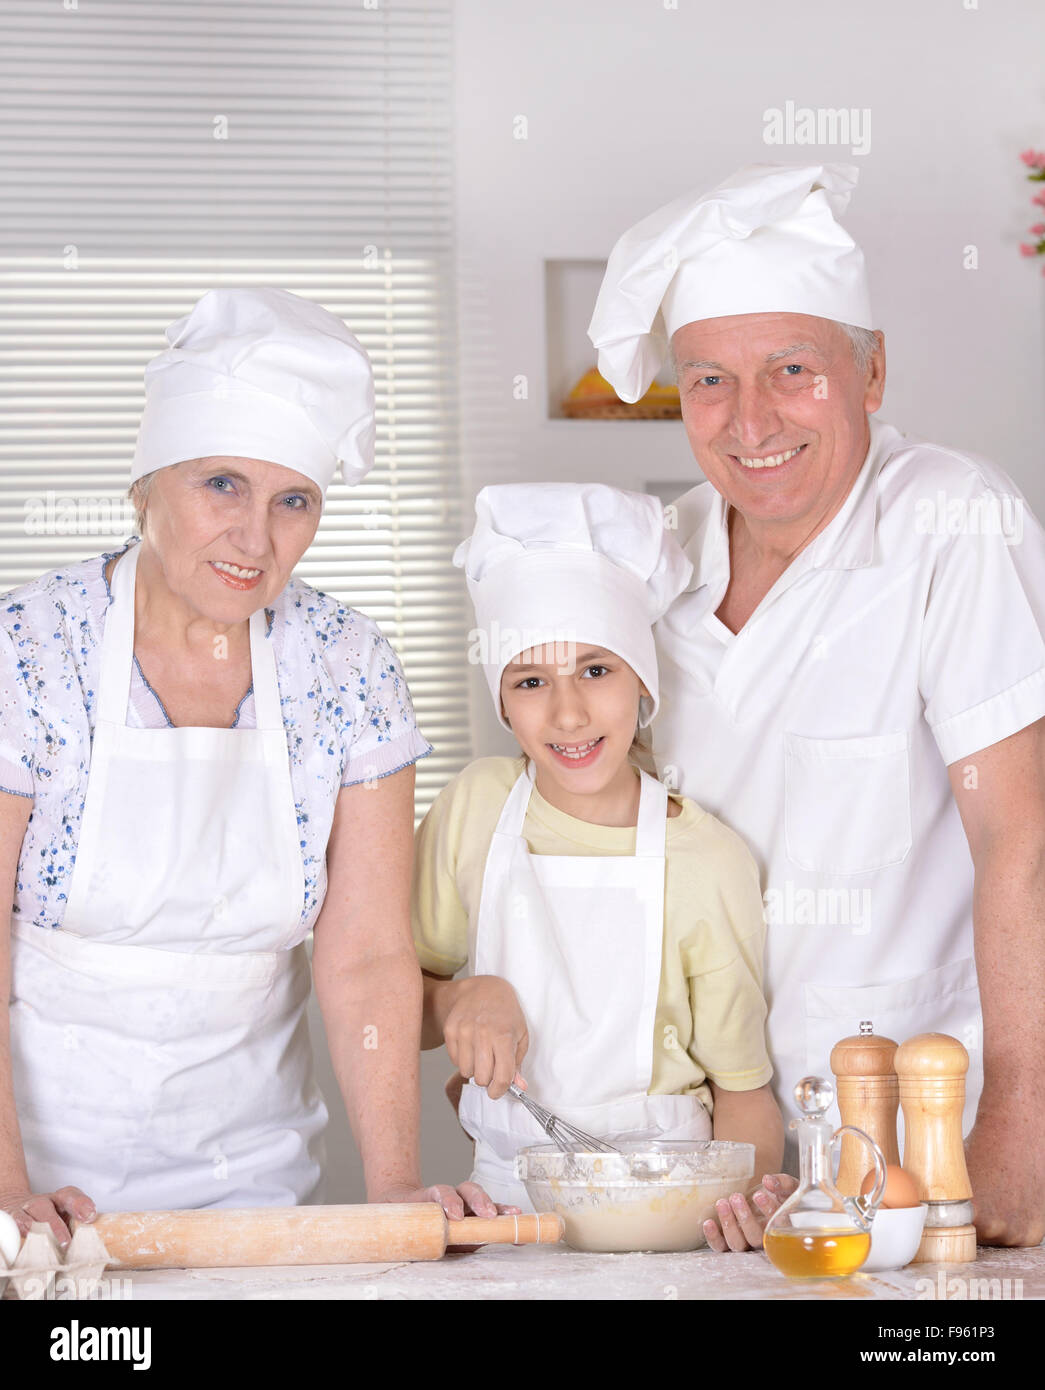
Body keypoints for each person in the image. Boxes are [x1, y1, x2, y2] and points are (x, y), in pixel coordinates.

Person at [589, 162, 1045, 1249]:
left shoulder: (949, 522)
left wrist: (1018, 1126)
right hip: (730, 1163)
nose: (750, 420)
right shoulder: (659, 561)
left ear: (871, 371)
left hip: (932, 1142)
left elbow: (1019, 840)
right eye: (707, 380)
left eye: (791, 369)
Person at [0, 287, 469, 1242]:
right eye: (221, 485)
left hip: (251, 1183)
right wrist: (7, 1186)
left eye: (292, 500)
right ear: (147, 485)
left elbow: (369, 955)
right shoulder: (30, 651)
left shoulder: (346, 665)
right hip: (39, 1180)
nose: (255, 540)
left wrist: (393, 1189)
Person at [411, 482, 784, 1215]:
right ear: (501, 702)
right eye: (530, 680)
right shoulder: (476, 807)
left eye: (595, 669)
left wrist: (737, 1227)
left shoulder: (706, 860)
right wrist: (457, 995)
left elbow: (744, 1097)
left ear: (642, 680)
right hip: (504, 1201)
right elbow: (393, 1005)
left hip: (670, 1203)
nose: (568, 712)